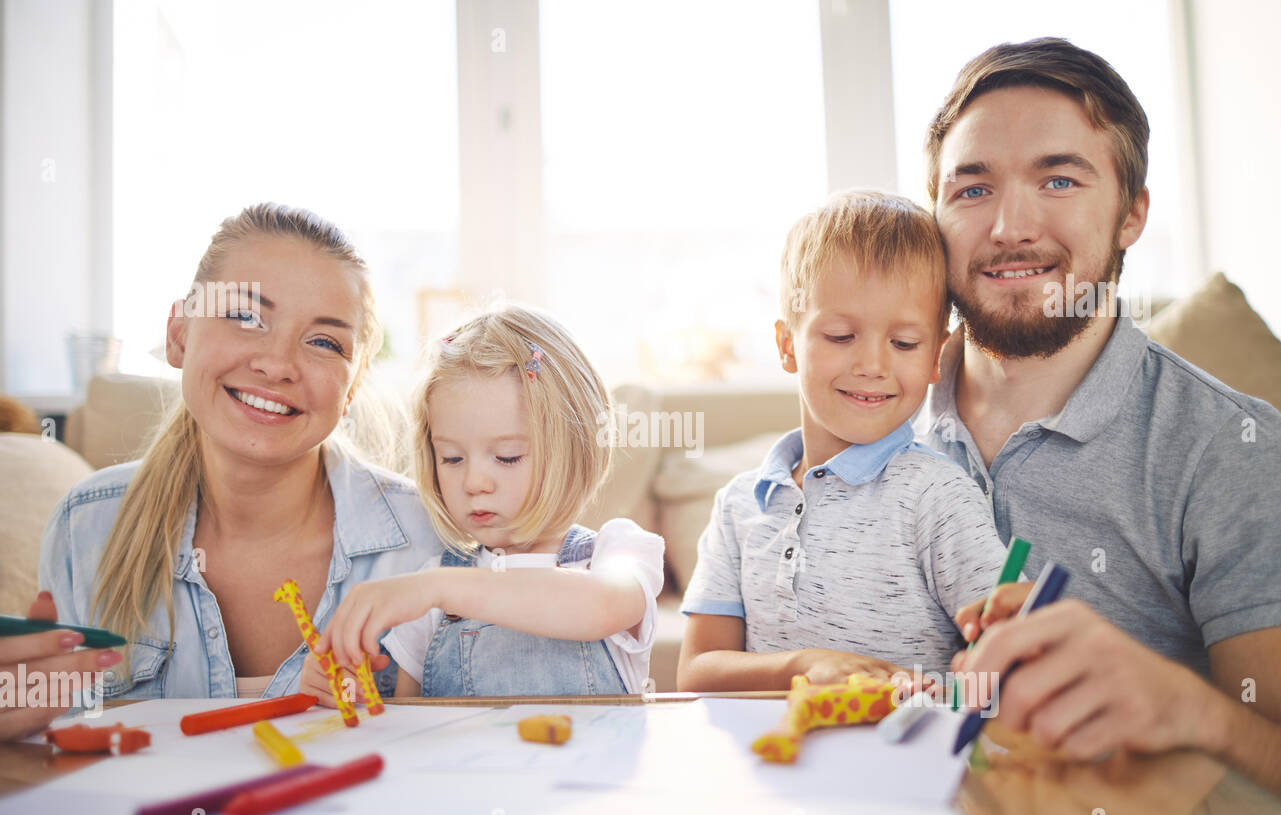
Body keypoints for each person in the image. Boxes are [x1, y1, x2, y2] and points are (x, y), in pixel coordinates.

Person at [915, 38, 1281, 799]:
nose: (1009, 227)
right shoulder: (871, 420)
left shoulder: (1234, 453)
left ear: (1132, 214)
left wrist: (1194, 711)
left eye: (1058, 179)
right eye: (972, 189)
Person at [17, 203, 440, 732]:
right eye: (245, 317)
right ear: (178, 336)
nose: (278, 364)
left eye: (324, 342)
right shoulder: (85, 529)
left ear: (352, 387)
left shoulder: (428, 541)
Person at [676, 189, 1007, 692]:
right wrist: (802, 666)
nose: (872, 365)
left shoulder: (937, 497)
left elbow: (1006, 661)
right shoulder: (739, 505)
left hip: (906, 765)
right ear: (788, 345)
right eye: (839, 336)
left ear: (936, 356)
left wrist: (973, 680)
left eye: (904, 343)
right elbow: (698, 674)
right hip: (772, 763)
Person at [315, 306, 665, 697]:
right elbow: (409, 726)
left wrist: (439, 587)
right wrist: (355, 696)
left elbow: (602, 608)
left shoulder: (618, 552)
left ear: (576, 449)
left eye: (507, 456)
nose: (474, 481)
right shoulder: (433, 591)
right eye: (452, 458)